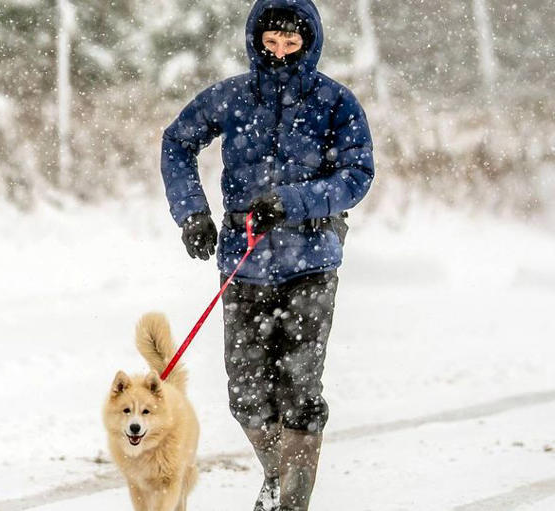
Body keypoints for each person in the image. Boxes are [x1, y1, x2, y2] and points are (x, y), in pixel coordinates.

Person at [160, 0, 375, 509]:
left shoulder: (334, 102)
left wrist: (293, 201)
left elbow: (357, 175)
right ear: (256, 39)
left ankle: (291, 501)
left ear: (309, 41)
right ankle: (278, 475)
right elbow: (177, 143)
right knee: (248, 396)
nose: (279, 51)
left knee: (299, 387)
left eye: (290, 42)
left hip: (312, 261)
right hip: (244, 262)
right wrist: (192, 214)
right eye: (270, 42)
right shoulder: (231, 96)